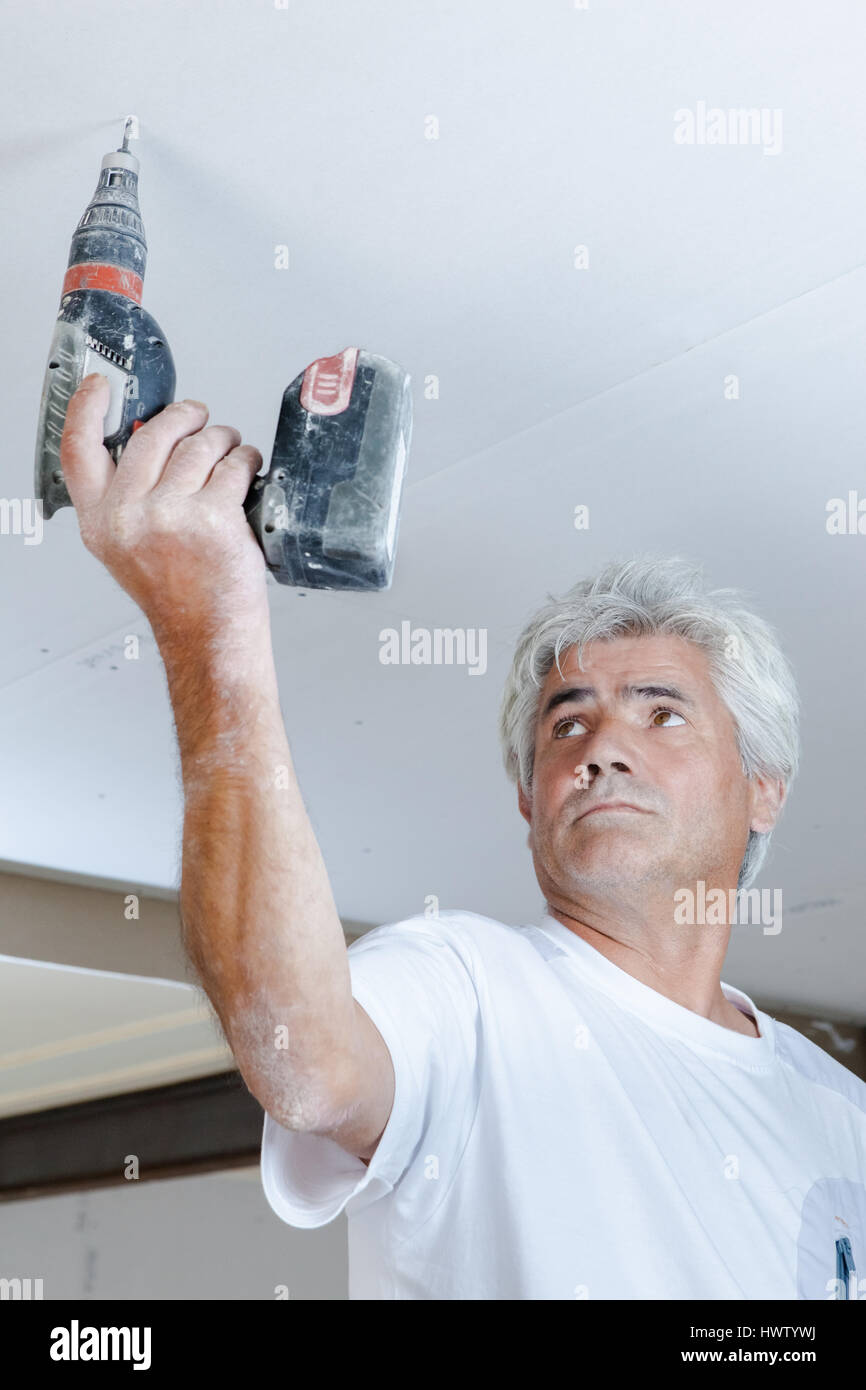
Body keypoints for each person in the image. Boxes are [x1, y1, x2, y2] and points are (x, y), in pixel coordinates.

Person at [60, 375, 866, 1300]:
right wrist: (208, 627)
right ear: (530, 801)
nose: (602, 747)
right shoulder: (467, 990)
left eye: (661, 715)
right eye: (567, 724)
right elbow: (307, 1060)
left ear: (762, 789)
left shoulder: (838, 1114)